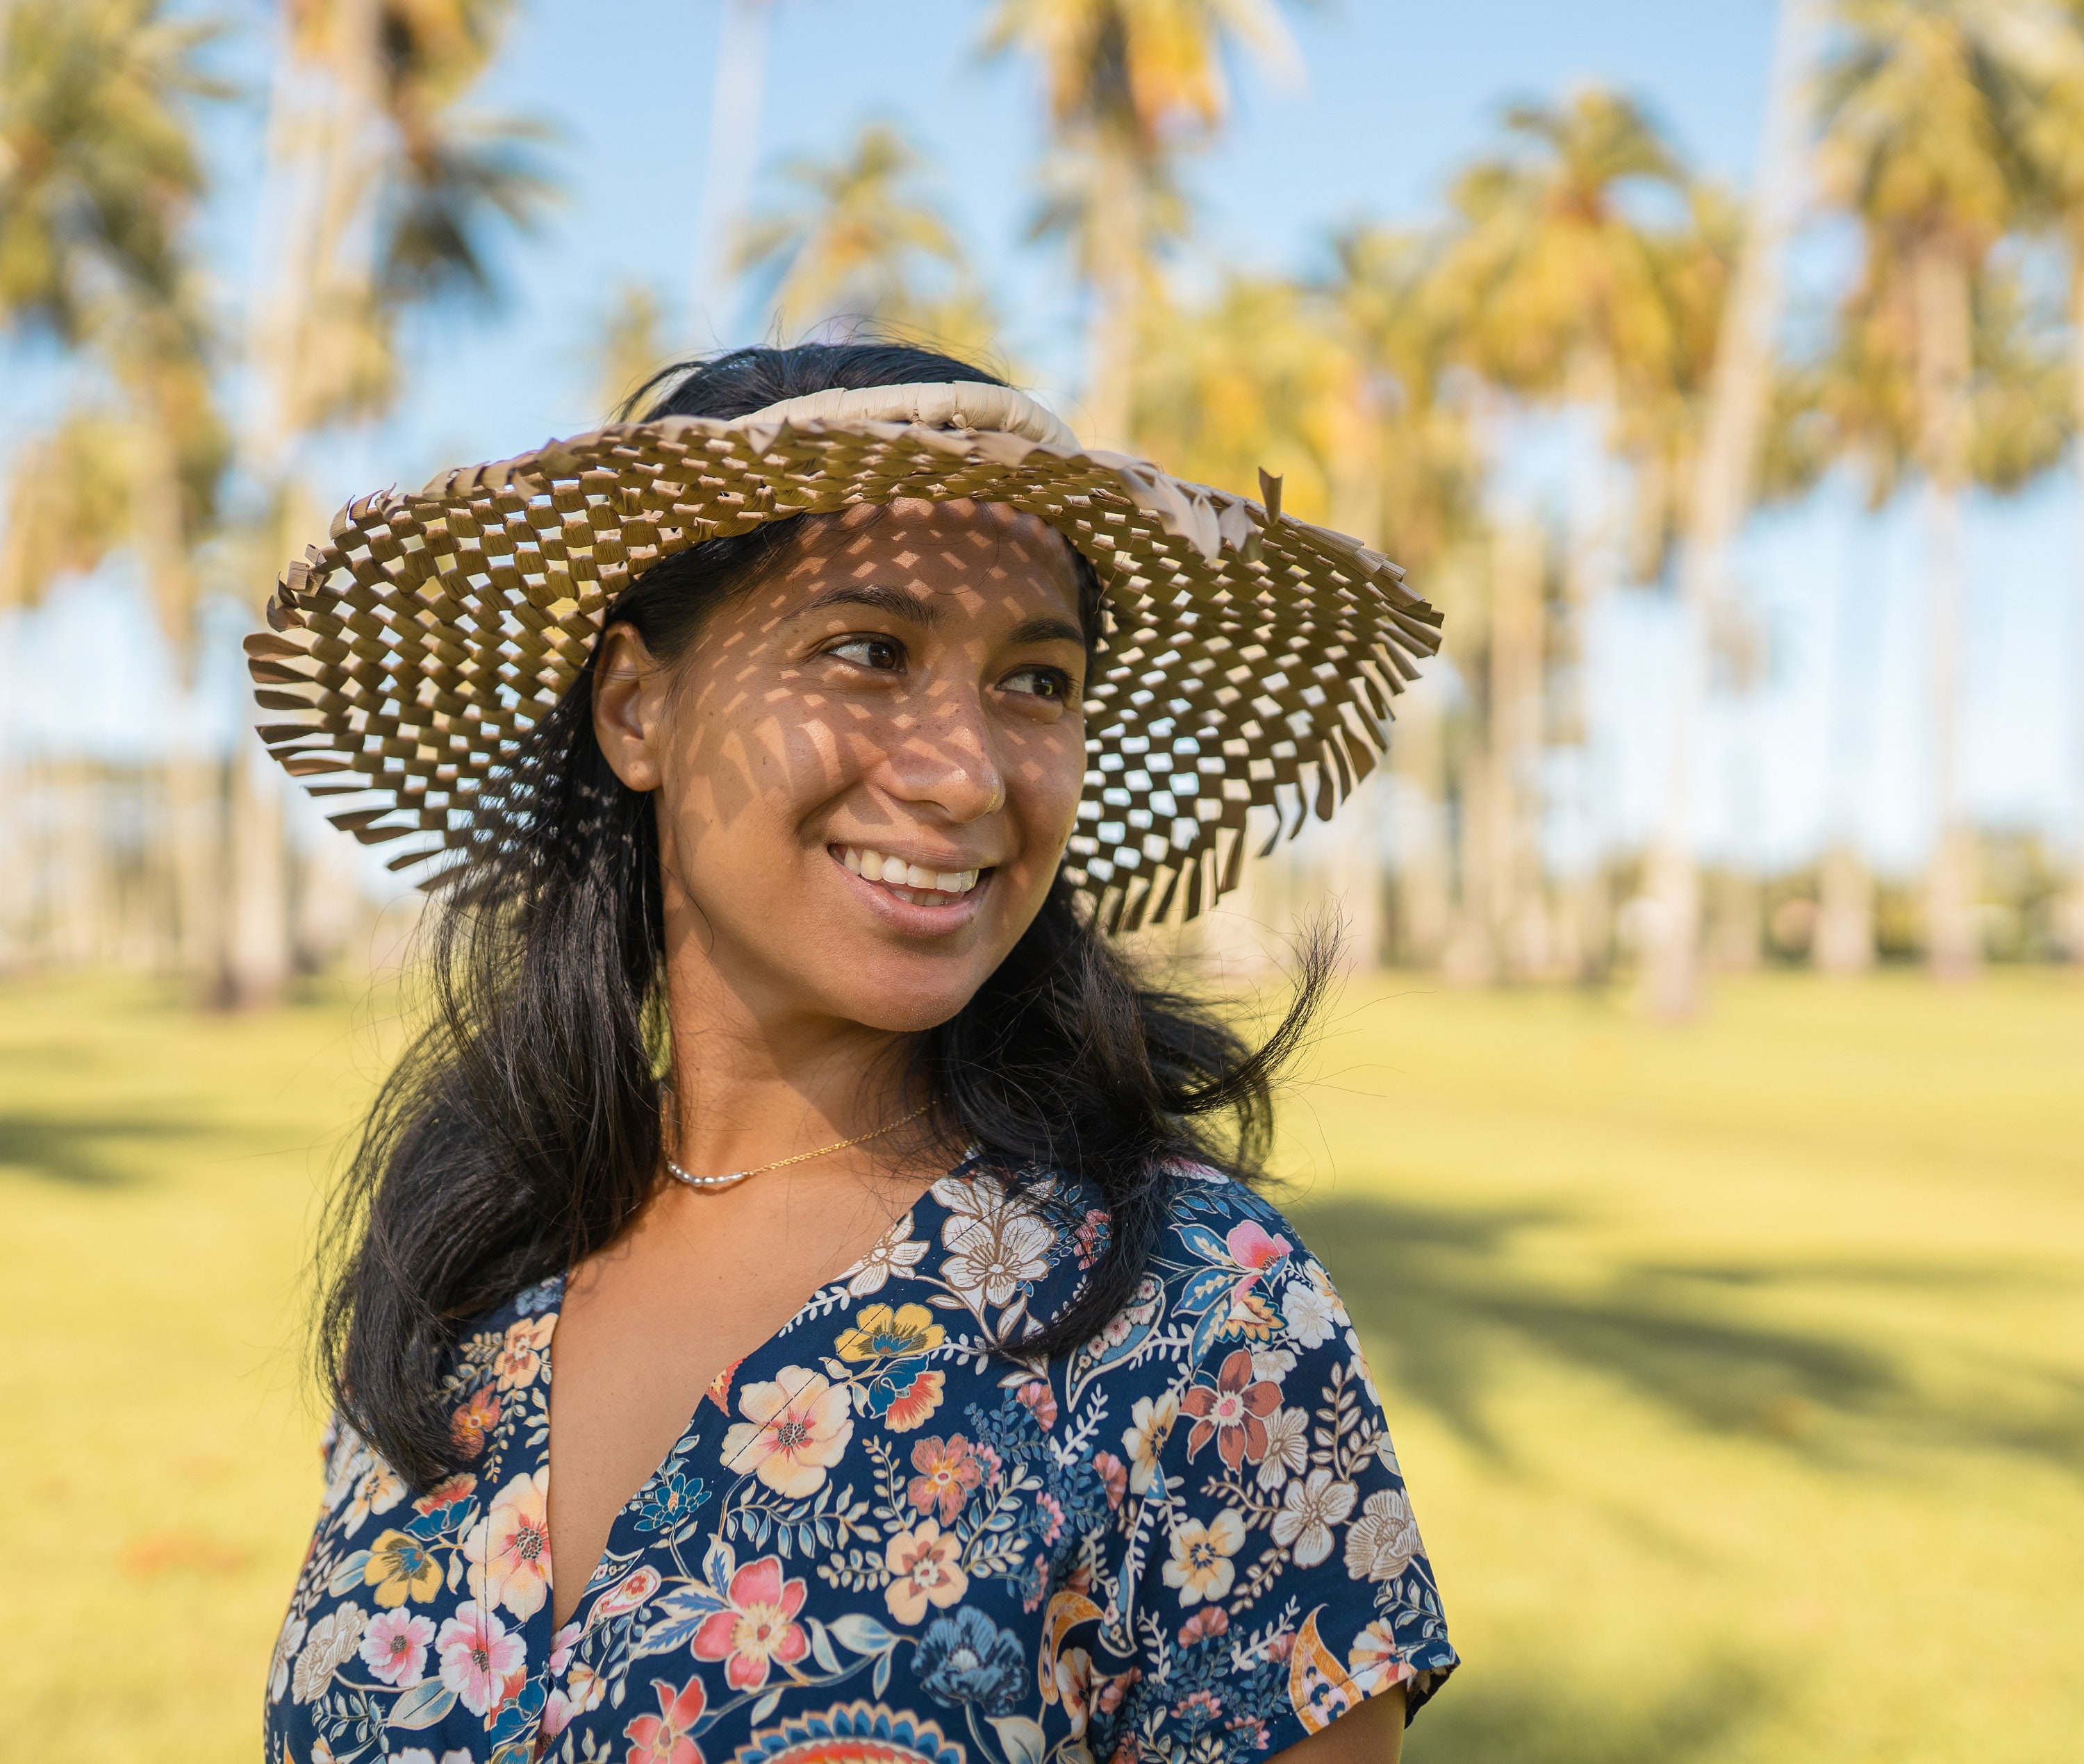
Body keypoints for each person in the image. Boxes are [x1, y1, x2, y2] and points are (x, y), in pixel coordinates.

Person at [254, 342, 1457, 1764]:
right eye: (870, 650)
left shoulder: (1195, 1320)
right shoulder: (471, 1246)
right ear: (638, 709)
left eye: (1036, 680)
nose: (966, 770)